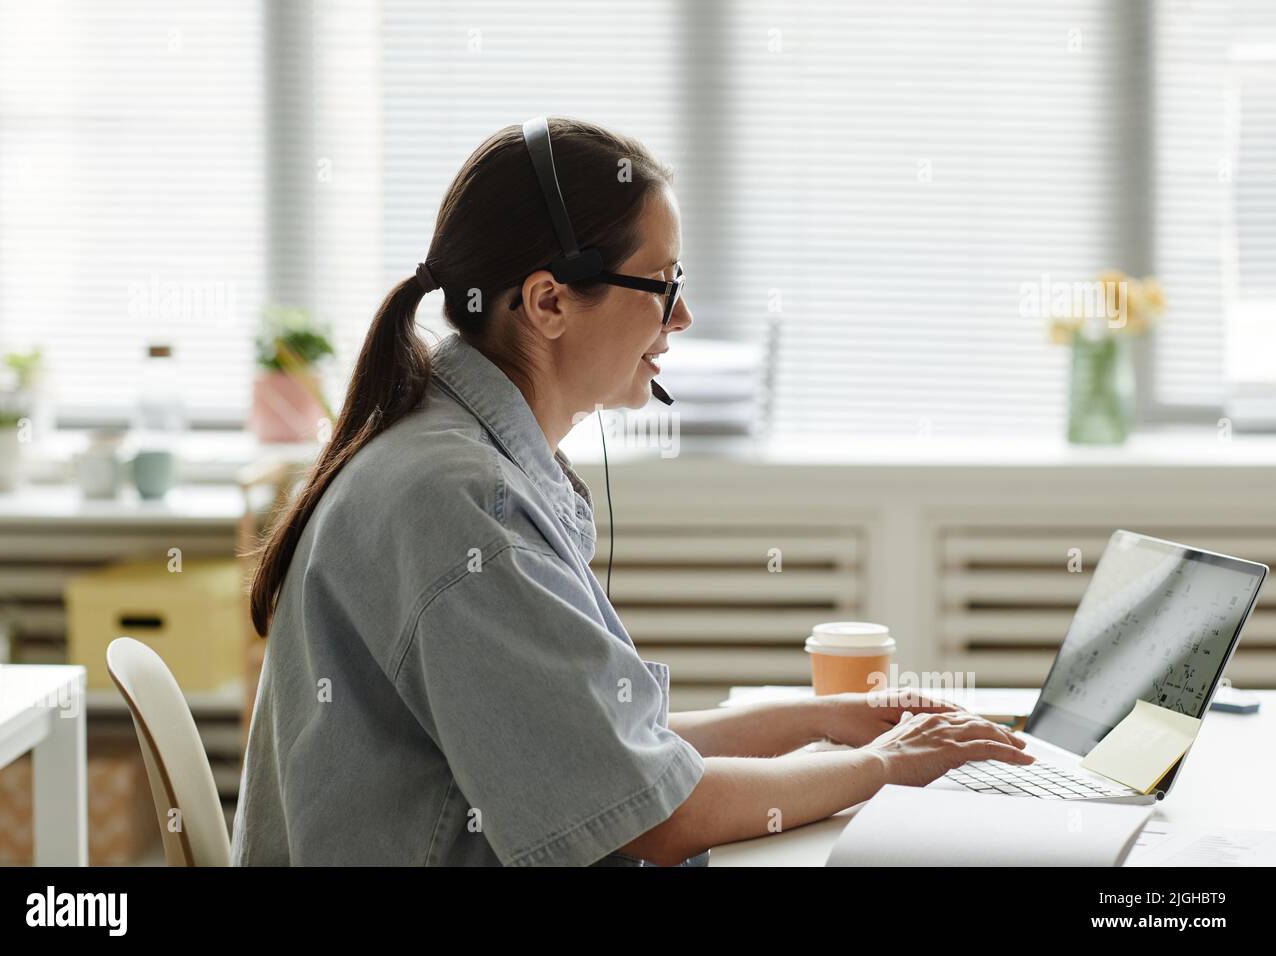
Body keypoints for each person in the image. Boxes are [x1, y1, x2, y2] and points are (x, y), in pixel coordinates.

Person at [231, 117, 1032, 867]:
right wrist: (885, 766)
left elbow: (601, 750)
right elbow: (651, 815)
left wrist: (818, 720)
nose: (679, 314)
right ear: (548, 302)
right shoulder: (461, 502)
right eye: (659, 281)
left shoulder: (455, 458)